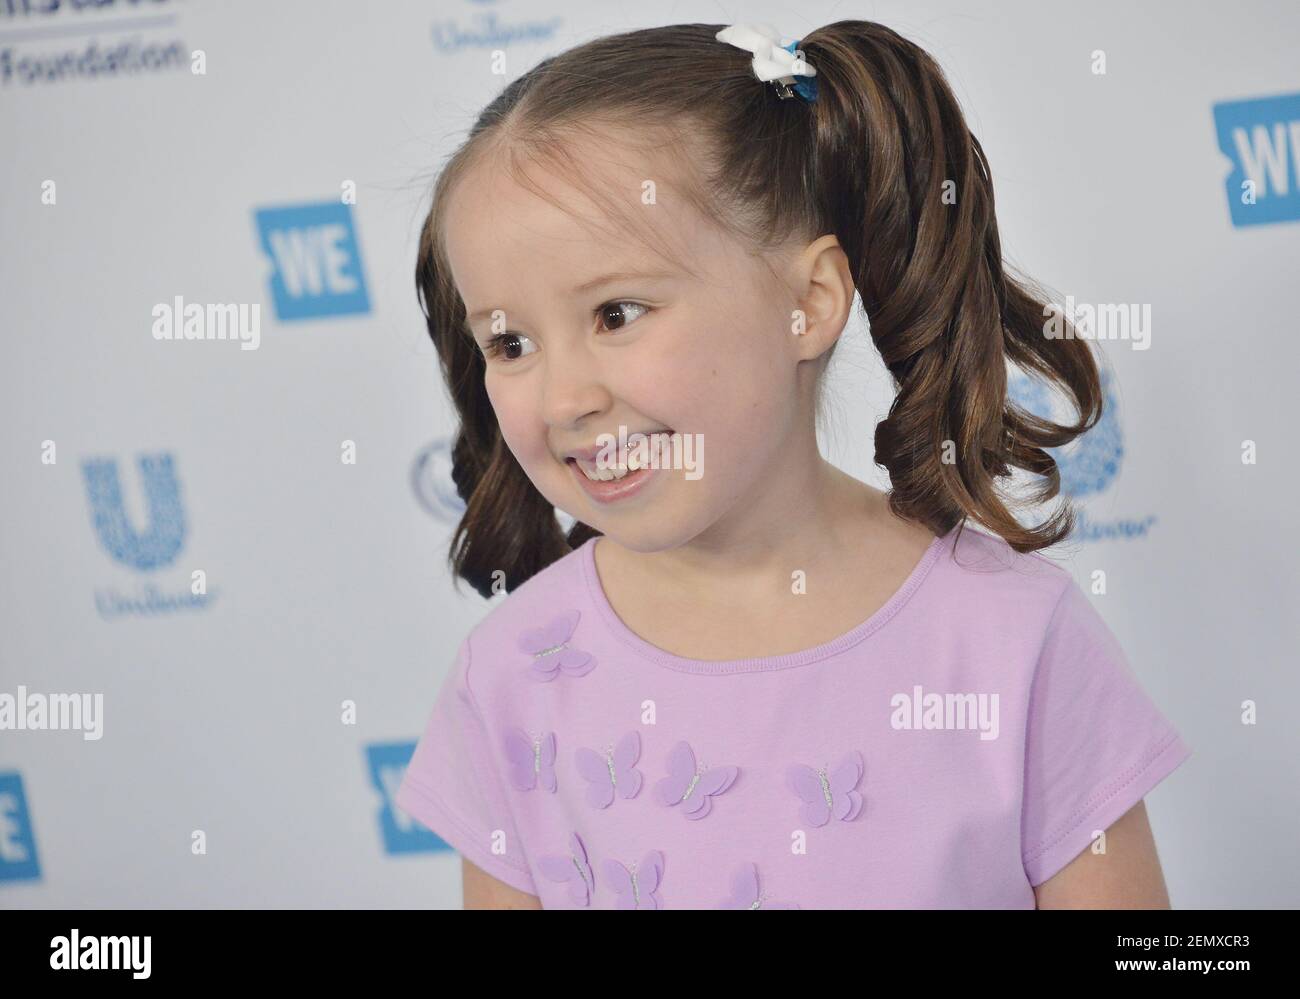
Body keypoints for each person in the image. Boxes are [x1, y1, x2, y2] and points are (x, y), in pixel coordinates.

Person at [395, 20, 1190, 909]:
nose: (562, 398)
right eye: (510, 342)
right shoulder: (508, 679)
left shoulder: (1011, 643)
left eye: (616, 313)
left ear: (808, 303)